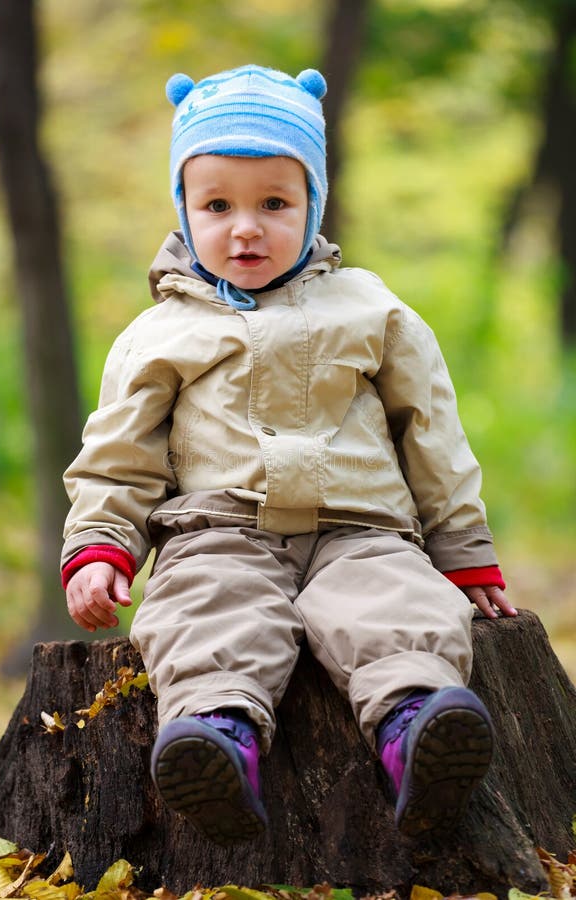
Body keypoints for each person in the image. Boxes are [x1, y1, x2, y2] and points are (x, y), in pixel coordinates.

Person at [61, 64, 518, 847]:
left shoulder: (372, 307)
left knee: (397, 609)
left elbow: (432, 434)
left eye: (275, 203)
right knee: (208, 609)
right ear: (183, 211)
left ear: (314, 206)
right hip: (217, 528)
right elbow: (118, 455)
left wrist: (463, 551)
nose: (246, 228)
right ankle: (216, 739)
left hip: (362, 528)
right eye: (217, 206)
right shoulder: (158, 333)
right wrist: (100, 544)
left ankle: (419, 730)